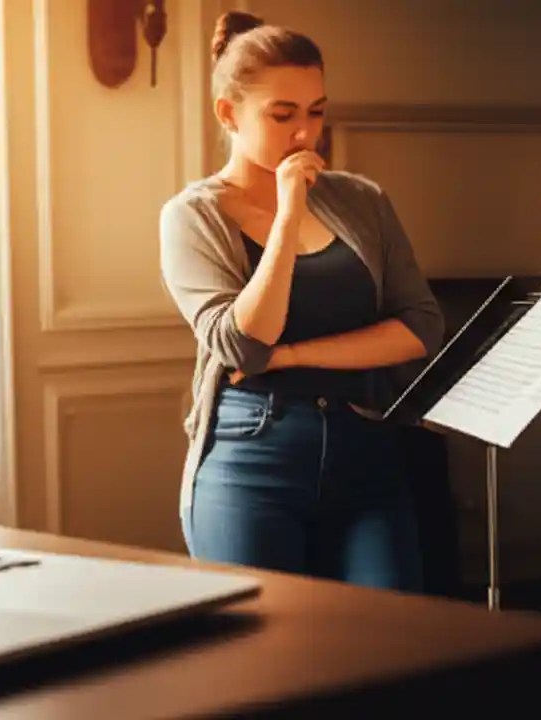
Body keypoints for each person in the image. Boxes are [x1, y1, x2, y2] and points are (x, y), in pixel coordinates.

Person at [159, 11, 444, 591]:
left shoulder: (362, 199)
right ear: (228, 113)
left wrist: (293, 358)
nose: (304, 134)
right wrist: (287, 216)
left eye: (315, 112)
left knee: (394, 644)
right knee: (267, 654)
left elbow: (421, 326)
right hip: (251, 458)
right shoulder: (192, 215)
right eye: (282, 115)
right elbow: (244, 339)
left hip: (366, 448)